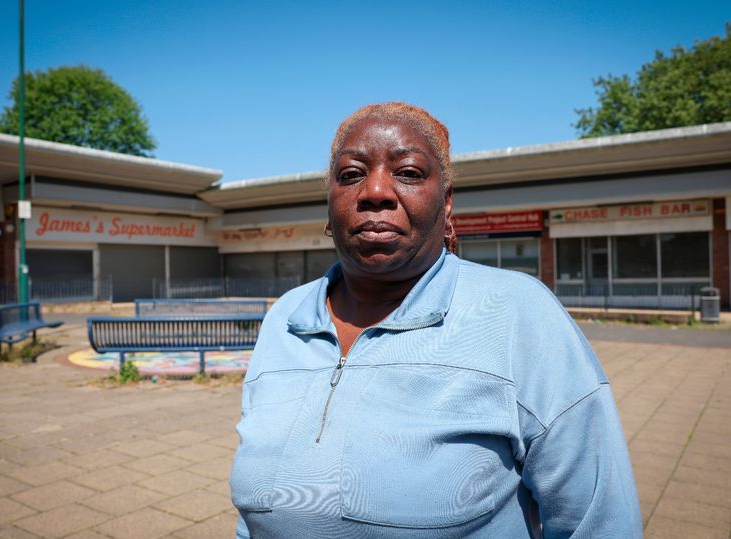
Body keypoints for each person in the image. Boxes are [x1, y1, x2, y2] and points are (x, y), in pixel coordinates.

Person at [229, 102, 642, 538]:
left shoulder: (517, 313)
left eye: (407, 172)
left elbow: (598, 522)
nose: (375, 191)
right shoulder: (284, 319)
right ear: (329, 203)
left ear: (446, 205)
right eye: (351, 174)